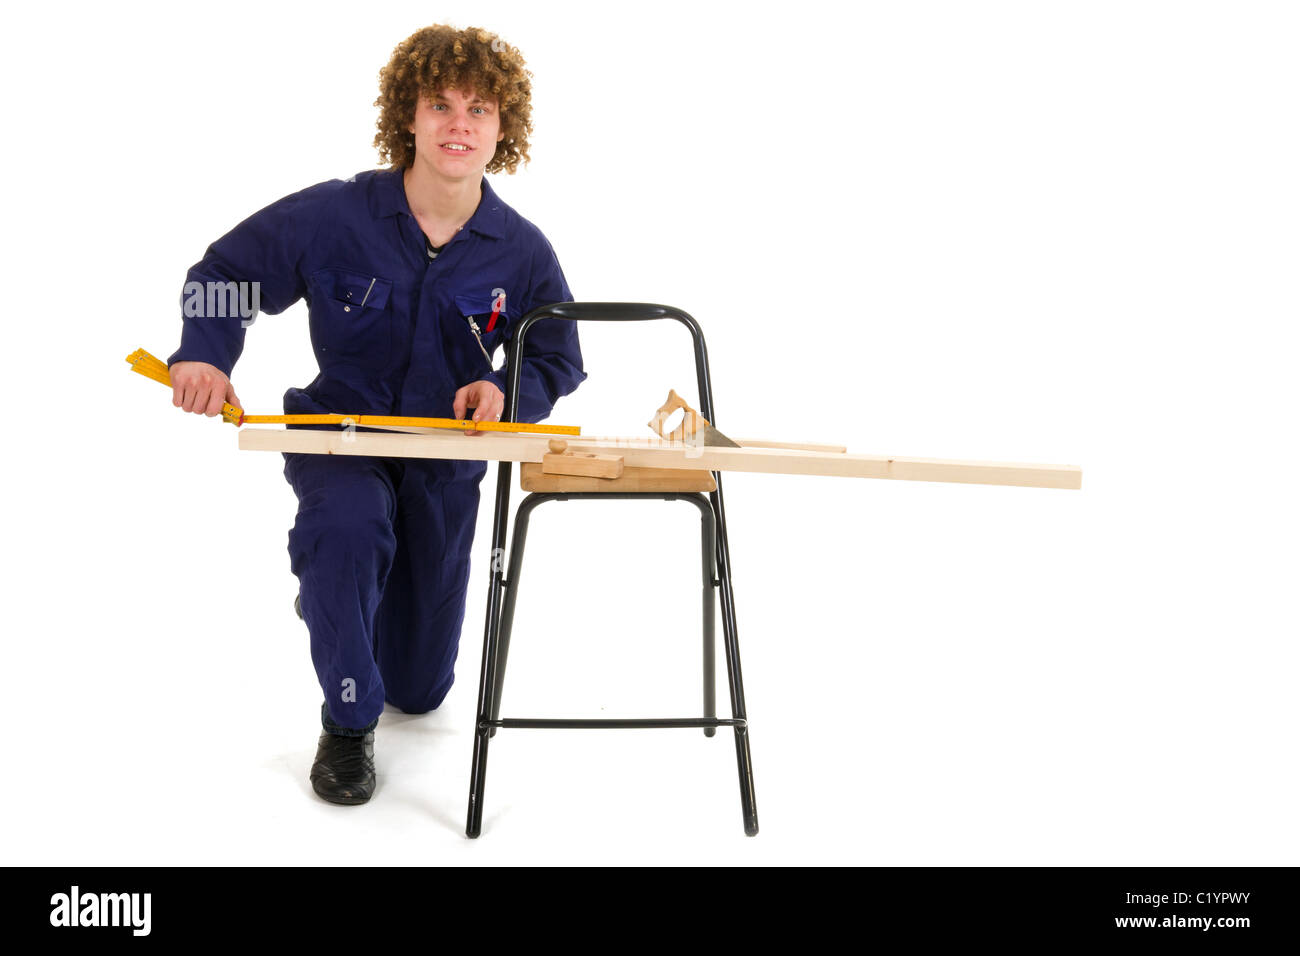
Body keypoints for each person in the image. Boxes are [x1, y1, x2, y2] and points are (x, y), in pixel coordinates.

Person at [166, 24, 586, 805]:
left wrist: (507, 394)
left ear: (504, 128)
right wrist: (205, 353)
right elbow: (222, 273)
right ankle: (346, 720)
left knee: (421, 688)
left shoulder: (520, 251)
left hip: (443, 462)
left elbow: (559, 356)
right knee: (348, 532)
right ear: (409, 118)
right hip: (340, 440)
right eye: (440, 104)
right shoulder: (337, 215)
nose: (459, 123)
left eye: (480, 108)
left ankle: (336, 599)